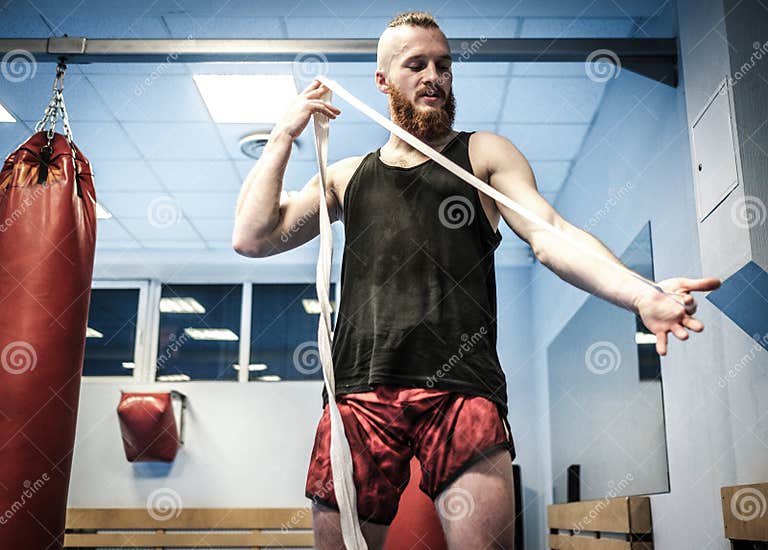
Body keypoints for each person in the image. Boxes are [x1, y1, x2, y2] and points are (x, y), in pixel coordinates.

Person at [233, 11, 720, 550]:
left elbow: (552, 233)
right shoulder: (348, 176)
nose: (433, 76)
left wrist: (641, 295)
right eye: (415, 64)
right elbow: (254, 237)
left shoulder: (483, 155)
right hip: (359, 394)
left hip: (461, 390)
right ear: (381, 81)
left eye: (442, 64)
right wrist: (284, 133)